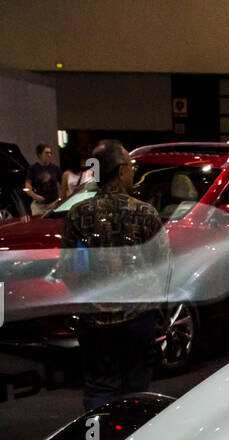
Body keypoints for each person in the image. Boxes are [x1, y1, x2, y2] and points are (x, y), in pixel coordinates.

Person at [58, 139, 165, 411]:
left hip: (94, 322)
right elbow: (163, 269)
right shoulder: (146, 214)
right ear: (120, 171)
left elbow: (67, 268)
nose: (133, 172)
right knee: (137, 390)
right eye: (130, 166)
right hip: (138, 320)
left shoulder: (77, 214)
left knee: (99, 388)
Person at [24, 143, 61, 215]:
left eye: (50, 153)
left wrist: (60, 197)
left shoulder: (55, 168)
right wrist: (35, 196)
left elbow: (62, 184)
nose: (49, 155)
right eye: (46, 153)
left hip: (53, 203)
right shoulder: (33, 168)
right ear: (39, 155)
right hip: (39, 206)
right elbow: (27, 185)